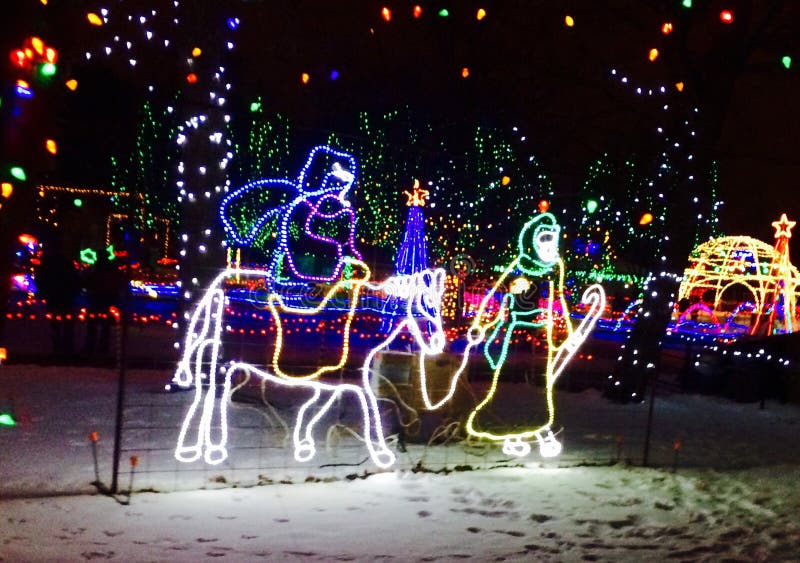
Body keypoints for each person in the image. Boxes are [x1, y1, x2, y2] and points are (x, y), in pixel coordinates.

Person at [36, 243, 81, 359]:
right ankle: (67, 346)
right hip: (66, 295)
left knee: (55, 322)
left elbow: (40, 278)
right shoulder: (67, 263)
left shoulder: (47, 264)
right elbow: (75, 278)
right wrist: (75, 291)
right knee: (67, 321)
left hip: (54, 295)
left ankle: (57, 345)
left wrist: (43, 292)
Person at [84, 252, 126, 359]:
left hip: (96, 298)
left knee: (93, 324)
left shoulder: (94, 269)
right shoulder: (112, 269)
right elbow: (119, 282)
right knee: (104, 325)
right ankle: (102, 347)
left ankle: (91, 347)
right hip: (107, 298)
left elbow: (87, 281)